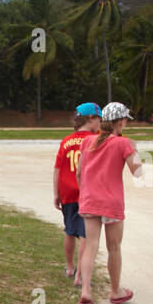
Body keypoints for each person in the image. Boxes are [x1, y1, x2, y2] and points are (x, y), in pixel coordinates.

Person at [75, 102, 143, 304]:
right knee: (114, 248)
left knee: (90, 246)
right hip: (111, 202)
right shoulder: (123, 143)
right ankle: (115, 291)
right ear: (120, 121)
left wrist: (84, 192)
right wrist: (135, 149)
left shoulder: (87, 142)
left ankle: (86, 290)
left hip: (89, 200)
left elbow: (79, 172)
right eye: (125, 121)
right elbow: (138, 172)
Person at [53, 102, 101, 285]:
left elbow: (57, 168)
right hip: (86, 191)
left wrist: (56, 193)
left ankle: (70, 267)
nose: (100, 124)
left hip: (67, 191)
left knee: (69, 231)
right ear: (90, 118)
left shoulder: (66, 141)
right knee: (85, 235)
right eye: (99, 119)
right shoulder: (94, 140)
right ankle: (80, 274)